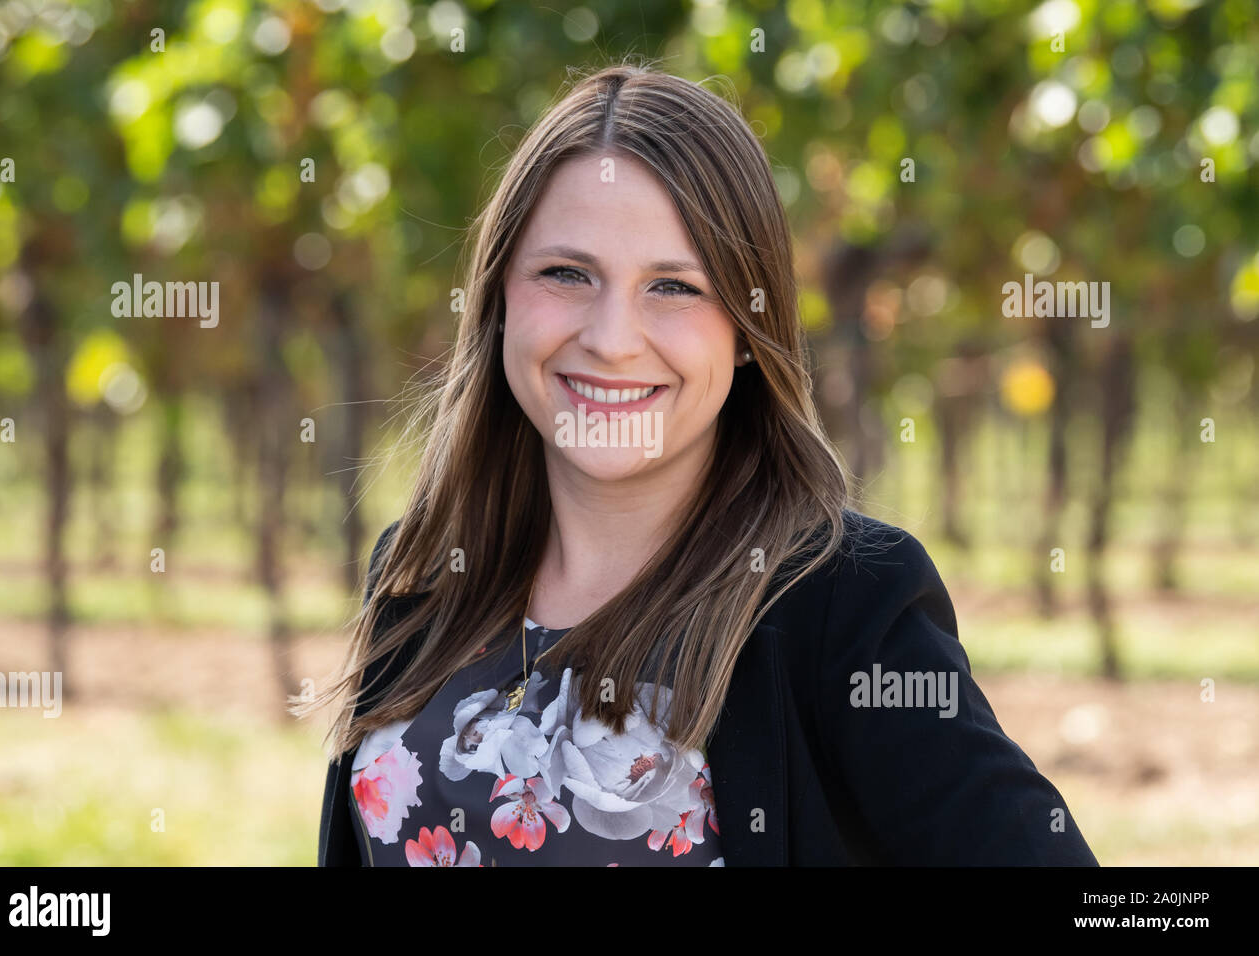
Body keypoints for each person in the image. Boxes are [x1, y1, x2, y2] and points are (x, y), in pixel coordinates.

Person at [300, 61, 1098, 867]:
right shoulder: (423, 575)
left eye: (675, 288)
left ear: (749, 328)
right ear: (500, 296)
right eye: (566, 274)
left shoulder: (838, 606)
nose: (612, 338)